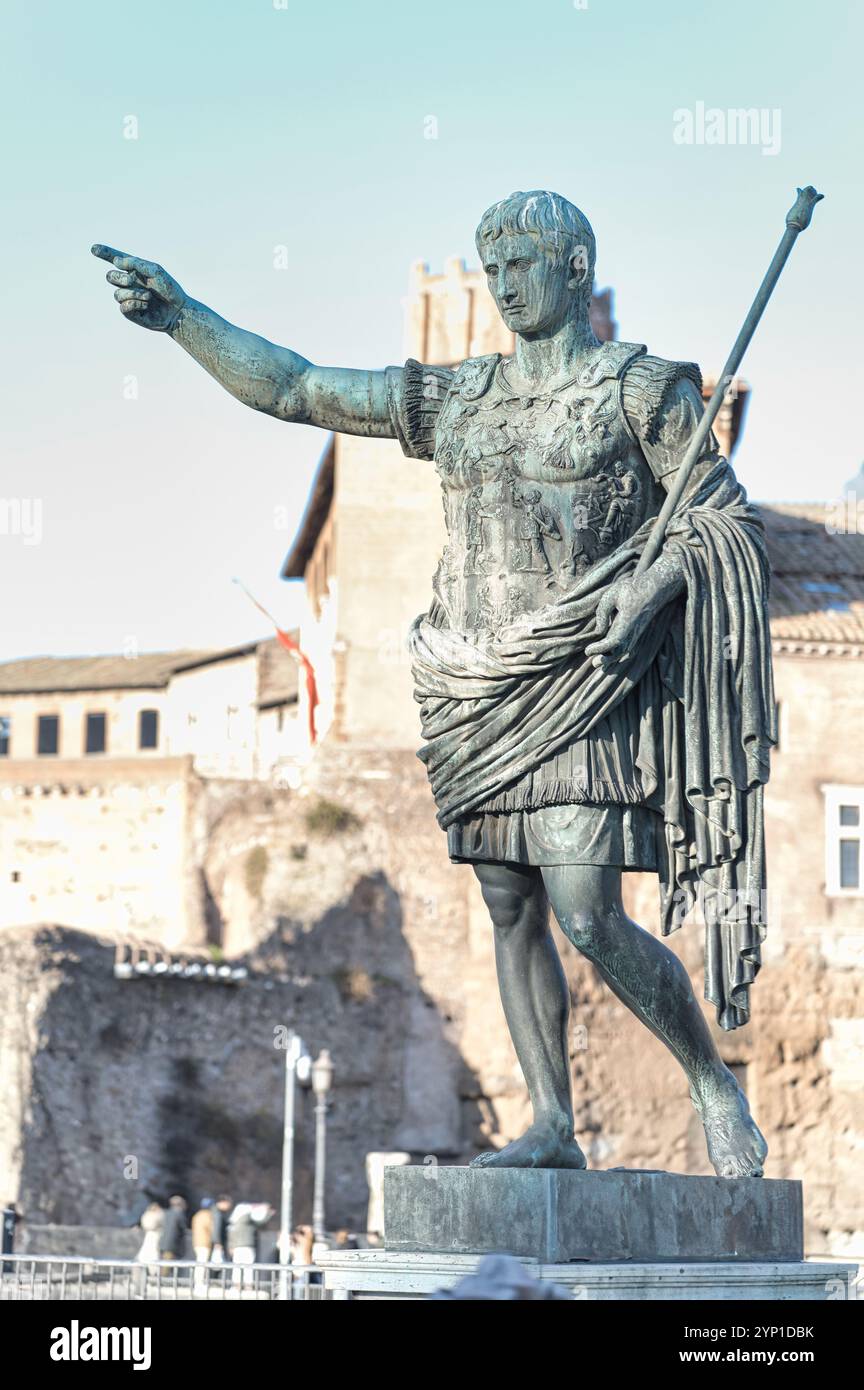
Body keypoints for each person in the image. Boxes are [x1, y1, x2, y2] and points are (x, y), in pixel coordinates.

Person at [91, 188, 775, 1179]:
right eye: (488, 266)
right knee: (508, 904)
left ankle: (711, 1079)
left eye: (520, 263)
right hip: (469, 682)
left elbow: (723, 517)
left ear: (577, 269)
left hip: (583, 670)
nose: (501, 284)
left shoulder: (639, 389)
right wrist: (184, 318)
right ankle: (550, 1123)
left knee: (587, 910)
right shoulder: (458, 396)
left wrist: (655, 589)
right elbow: (297, 388)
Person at [228, 1202, 273, 1288]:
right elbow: (260, 1223)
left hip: (238, 1247)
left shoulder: (236, 1221)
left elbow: (231, 1235)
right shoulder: (247, 1219)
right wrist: (267, 1214)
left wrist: (231, 1246)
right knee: (248, 1267)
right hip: (248, 1246)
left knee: (237, 1267)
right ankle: (248, 1286)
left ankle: (236, 1285)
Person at [159, 1195, 187, 1261]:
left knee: (163, 1263)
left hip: (163, 1243)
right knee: (168, 1265)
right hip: (173, 1245)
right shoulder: (179, 1213)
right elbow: (183, 1227)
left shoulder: (166, 1213)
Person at [135, 1202, 163, 1267]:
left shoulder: (145, 1215)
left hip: (149, 1235)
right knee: (153, 1251)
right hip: (155, 1235)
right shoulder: (158, 1215)